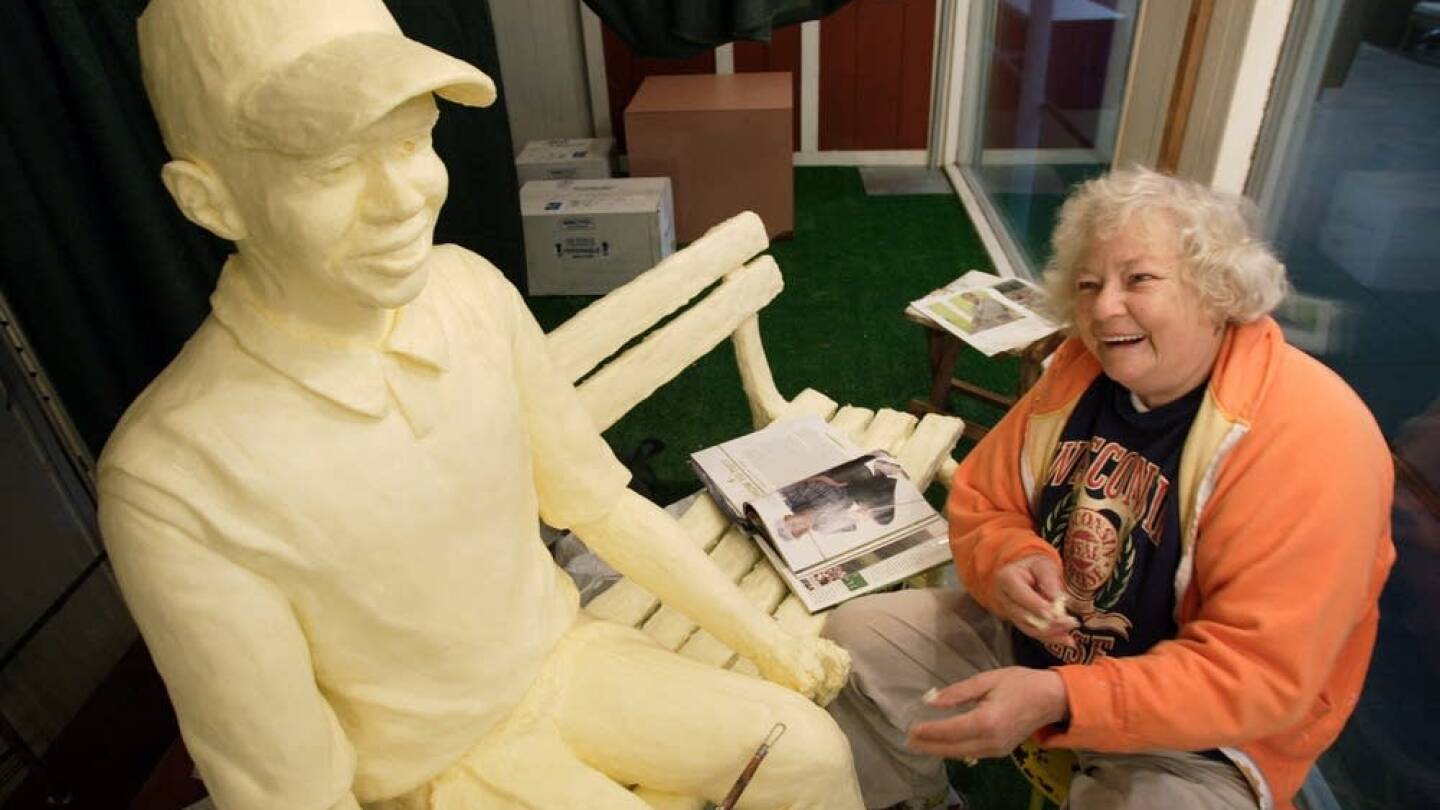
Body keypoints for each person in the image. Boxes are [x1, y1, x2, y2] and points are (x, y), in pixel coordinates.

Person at [98, 1, 862, 808]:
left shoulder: (467, 291)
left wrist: (770, 645)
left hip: (569, 662)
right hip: (432, 771)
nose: (400, 199)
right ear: (209, 200)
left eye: (411, 141)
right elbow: (289, 789)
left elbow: (599, 504)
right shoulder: (173, 478)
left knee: (810, 757)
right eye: (330, 166)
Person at [821, 167, 1395, 810]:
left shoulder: (1315, 435)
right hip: (1040, 650)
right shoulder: (1082, 370)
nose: (1101, 308)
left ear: (1218, 290)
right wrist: (1011, 557)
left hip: (1199, 737)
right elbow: (985, 500)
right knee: (855, 642)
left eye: (1139, 279)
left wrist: (1067, 698)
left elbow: (1257, 675)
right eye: (1088, 284)